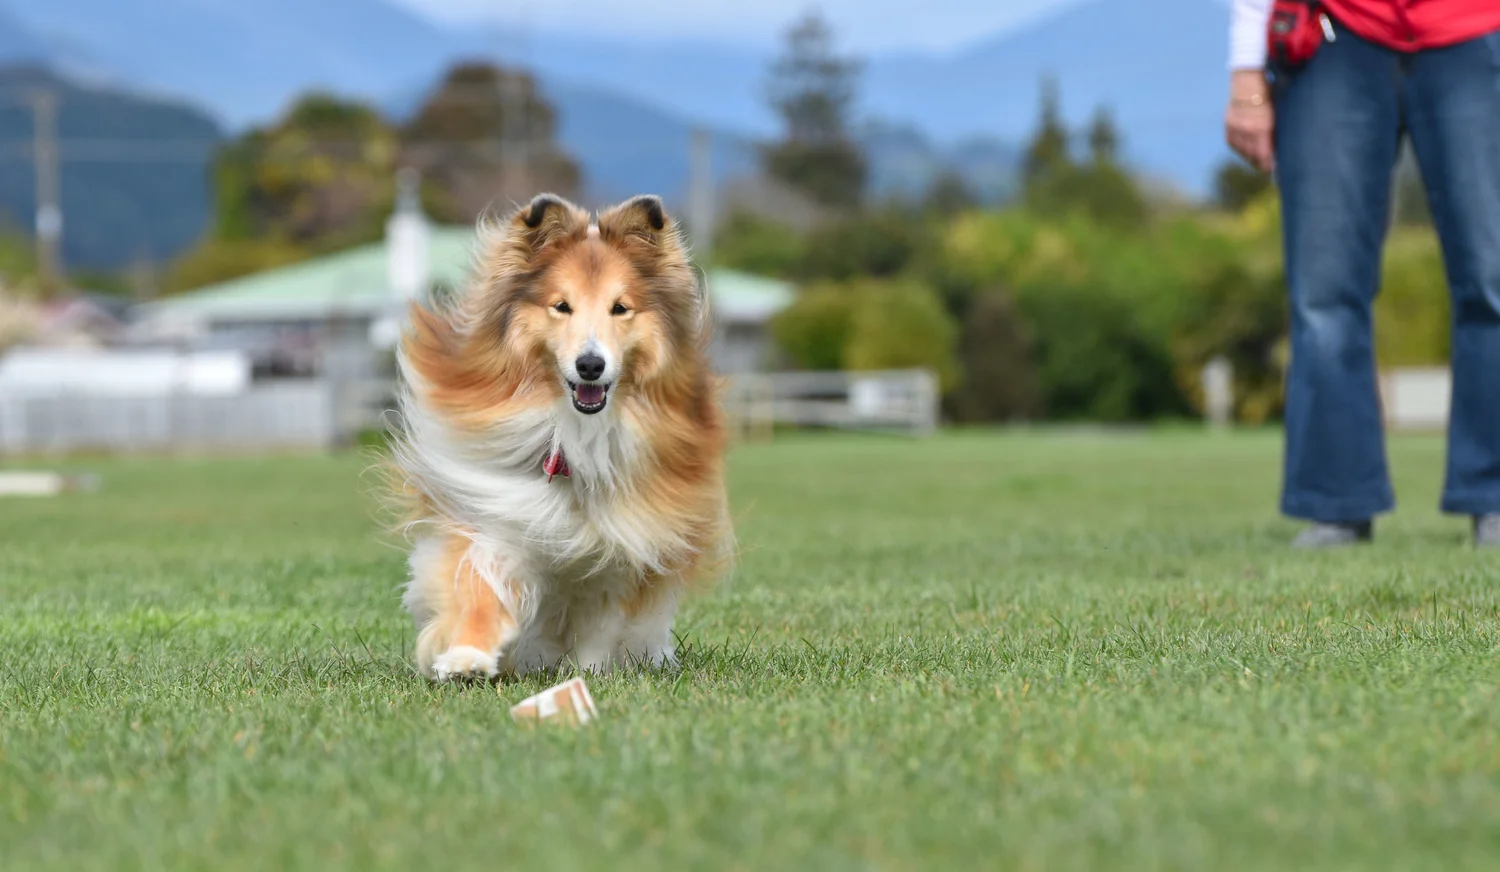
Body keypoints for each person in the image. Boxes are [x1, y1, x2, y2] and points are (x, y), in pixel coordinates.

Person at [1225, 0, 1500, 548]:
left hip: (1476, 30)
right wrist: (1246, 77)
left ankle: (1494, 496)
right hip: (1334, 34)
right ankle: (1337, 501)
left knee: (1492, 280)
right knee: (1324, 289)